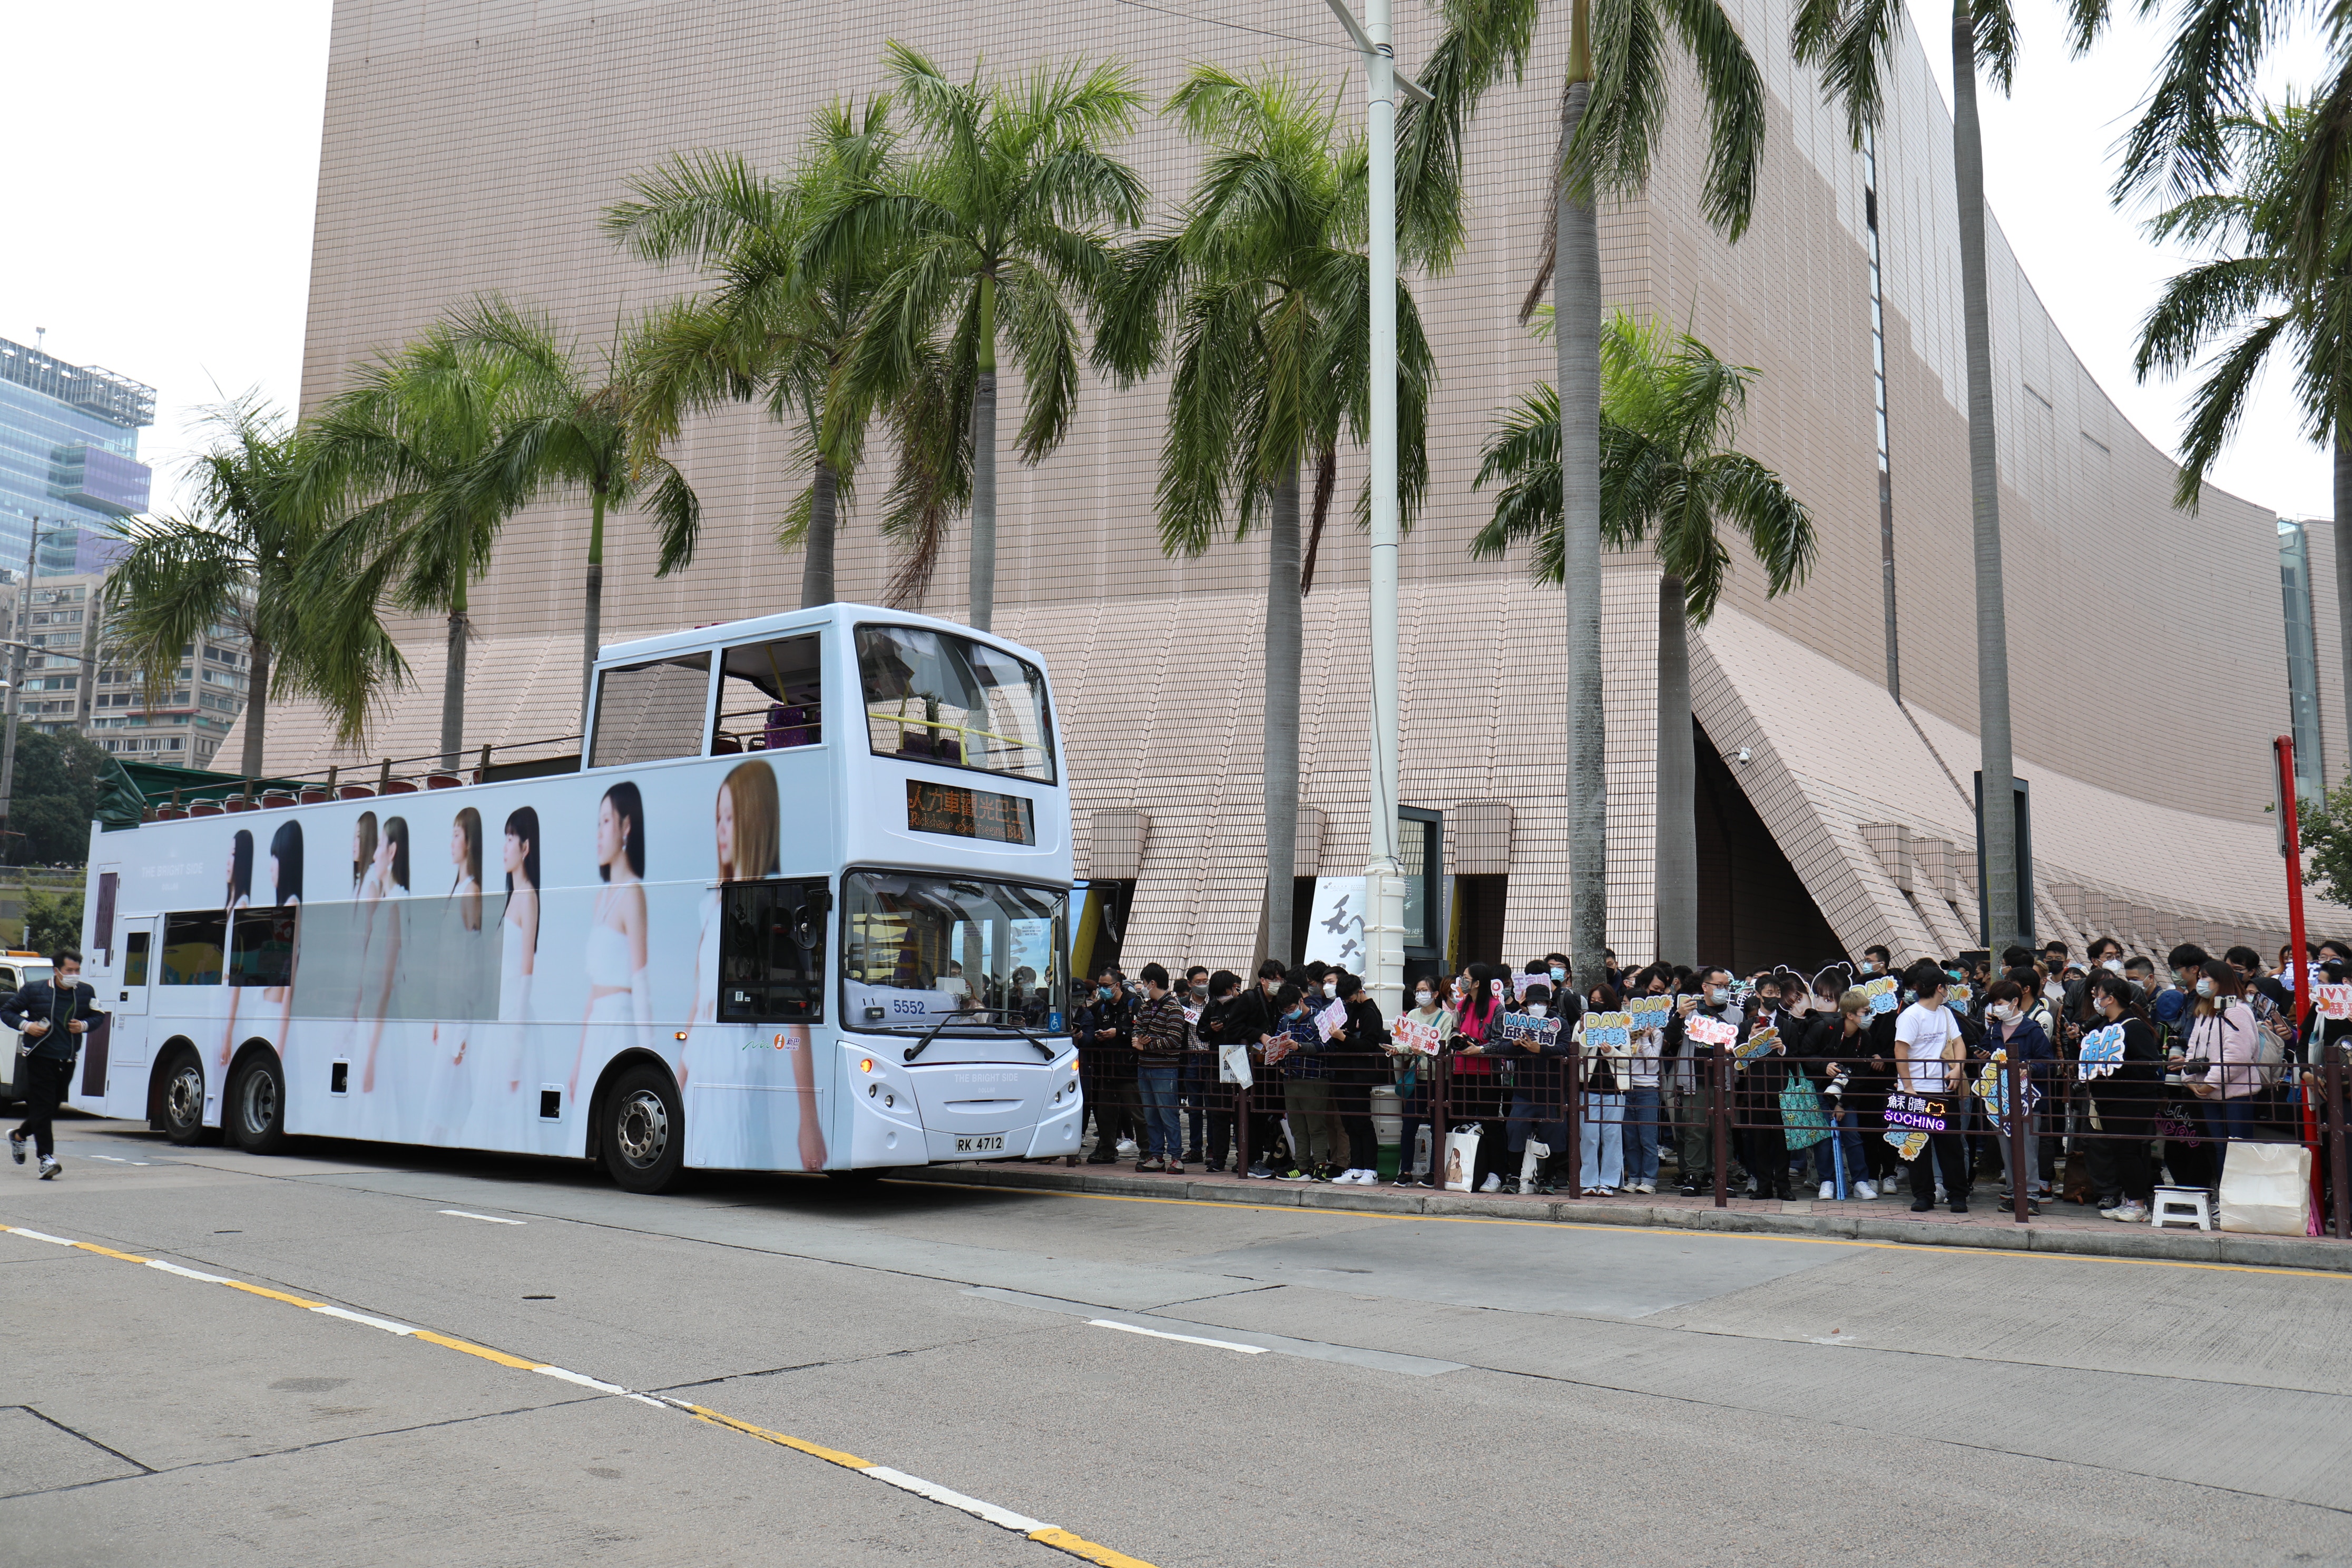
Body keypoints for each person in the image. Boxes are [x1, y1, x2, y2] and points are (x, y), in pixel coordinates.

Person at [6, 950, 100, 1179]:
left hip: (67, 1058)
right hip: (40, 1056)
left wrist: (85, 1025)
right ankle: (46, 1159)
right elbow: (7, 1011)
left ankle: (19, 1135)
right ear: (56, 971)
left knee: (49, 1107)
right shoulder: (35, 990)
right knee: (43, 1107)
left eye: (77, 970)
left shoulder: (86, 992)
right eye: (69, 971)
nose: (74, 975)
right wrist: (27, 1026)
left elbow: (98, 1015)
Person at [2082, 970, 2163, 1221]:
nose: (2096, 1000)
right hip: (2110, 1100)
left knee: (2129, 1152)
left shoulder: (2134, 1027)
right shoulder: (2106, 1027)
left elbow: (2149, 1064)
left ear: (2112, 999)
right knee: (2120, 1152)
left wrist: (2115, 1070)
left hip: (2131, 1101)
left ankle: (2138, 1205)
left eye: (2099, 996)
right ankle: (2131, 1200)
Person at [1893, 961, 1971, 1213]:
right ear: (1939, 988)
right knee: (1919, 1148)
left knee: (1951, 1147)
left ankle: (1958, 1195)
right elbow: (1900, 1052)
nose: (1948, 991)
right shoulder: (1911, 1016)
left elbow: (1959, 1043)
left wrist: (1958, 1068)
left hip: (1944, 1090)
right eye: (1946, 986)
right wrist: (1908, 1087)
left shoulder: (1945, 1014)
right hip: (1918, 1091)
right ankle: (1923, 1195)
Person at [1979, 977, 2054, 1206]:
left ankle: (2030, 1195)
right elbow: (1982, 1051)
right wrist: (1980, 1055)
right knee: (2007, 1148)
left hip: (2027, 1100)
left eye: (2000, 1002)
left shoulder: (2032, 1030)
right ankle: (2013, 1192)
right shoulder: (1993, 1031)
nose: (1996, 1007)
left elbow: (2047, 1063)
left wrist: (2029, 1067)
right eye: (1993, 1003)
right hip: (1999, 1098)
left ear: (2015, 1002)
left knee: (2027, 1148)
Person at [2187, 959, 2267, 1145]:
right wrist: (2189, 1079)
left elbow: (2238, 1054)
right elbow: (2193, 1047)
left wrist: (2210, 1083)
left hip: (2236, 1093)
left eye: (2205, 978)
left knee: (2239, 1149)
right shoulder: (2205, 1011)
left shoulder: (2237, 1010)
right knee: (2220, 1147)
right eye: (2199, 978)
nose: (2200, 982)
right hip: (2206, 1090)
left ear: (2220, 981)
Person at [1388, 974, 1452, 1186]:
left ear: (1435, 994)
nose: (1421, 994)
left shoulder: (1446, 1018)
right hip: (1417, 1078)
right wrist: (1398, 1049)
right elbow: (1406, 1043)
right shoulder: (1413, 1015)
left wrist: (1422, 1049)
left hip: (1438, 1079)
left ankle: (1434, 1173)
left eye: (1425, 990)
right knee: (1409, 1126)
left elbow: (1443, 1046)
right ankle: (1405, 1172)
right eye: (1418, 990)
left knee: (1437, 1127)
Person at [1330, 971, 1387, 1183]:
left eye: (1350, 998)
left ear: (1360, 992)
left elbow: (1368, 1046)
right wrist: (1335, 1036)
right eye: (1345, 999)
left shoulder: (1370, 1012)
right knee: (1349, 1123)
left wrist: (1343, 1037)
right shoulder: (1350, 1009)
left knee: (1362, 1122)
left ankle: (1370, 1169)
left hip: (1359, 1076)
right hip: (1344, 1073)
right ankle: (1356, 1166)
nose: (1348, 1002)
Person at [1131, 963, 1188, 1173]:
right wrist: (1140, 1040)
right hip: (1144, 1067)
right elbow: (1136, 1029)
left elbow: (1174, 1039)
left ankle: (1176, 1157)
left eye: (1144, 983)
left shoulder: (1173, 1007)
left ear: (1152, 983)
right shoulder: (1146, 1007)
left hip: (1165, 1069)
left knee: (1168, 1114)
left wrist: (1146, 1044)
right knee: (1151, 1115)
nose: (1143, 987)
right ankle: (1156, 1156)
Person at [1080, 967, 1138, 1164]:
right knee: (1105, 1113)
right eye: (1100, 986)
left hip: (1128, 1069)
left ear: (1117, 985)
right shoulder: (1101, 1007)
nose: (1102, 990)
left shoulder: (1133, 1003)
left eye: (1106, 986)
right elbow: (1089, 1024)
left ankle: (1149, 1151)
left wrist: (1119, 1032)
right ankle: (1107, 1150)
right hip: (1105, 1068)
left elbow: (1141, 1030)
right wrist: (1097, 1036)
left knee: (1137, 1113)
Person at [1573, 983, 1627, 1195]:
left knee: (1612, 1135)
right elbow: (1576, 1055)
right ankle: (1588, 1181)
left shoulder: (1622, 1025)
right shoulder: (1582, 1023)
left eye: (1601, 1001)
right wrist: (1584, 1032)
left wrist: (1610, 1051)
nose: (1596, 1005)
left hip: (1615, 1090)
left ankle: (1609, 1182)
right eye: (1593, 1001)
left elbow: (1628, 1061)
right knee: (1588, 1136)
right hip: (1587, 1088)